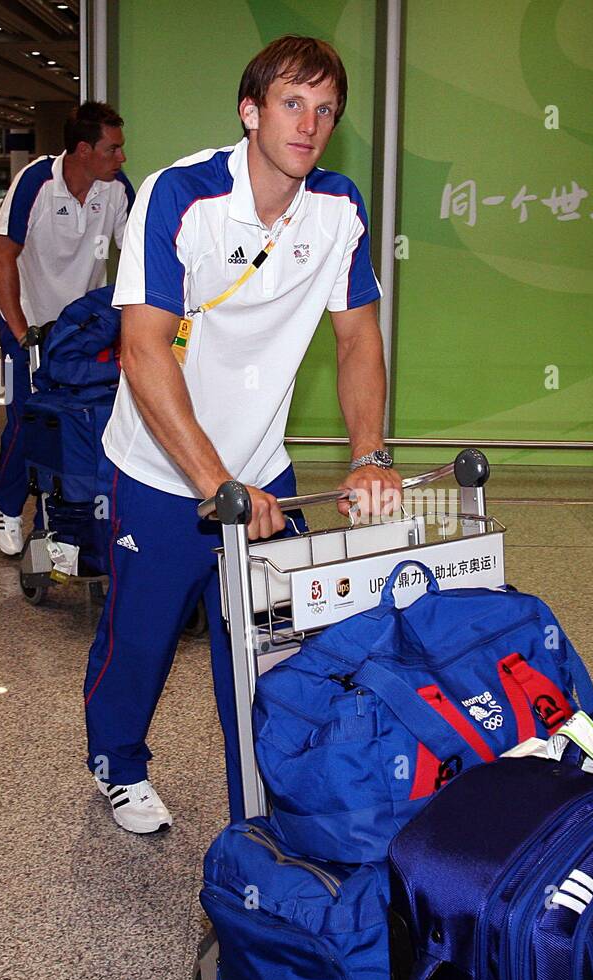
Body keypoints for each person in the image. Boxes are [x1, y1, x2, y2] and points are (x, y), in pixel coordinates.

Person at [85, 34, 403, 833]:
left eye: (326, 110)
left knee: (266, 657)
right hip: (163, 473)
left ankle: (259, 806)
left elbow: (359, 340)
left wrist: (369, 456)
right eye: (293, 103)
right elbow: (142, 346)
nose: (310, 124)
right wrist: (213, 484)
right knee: (142, 640)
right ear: (250, 111)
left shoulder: (338, 210)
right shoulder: (178, 196)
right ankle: (117, 765)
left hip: (265, 474)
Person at [0, 101, 134, 554]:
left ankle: (66, 521)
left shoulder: (115, 189)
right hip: (28, 323)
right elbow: (0, 256)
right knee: (26, 420)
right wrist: (19, 329)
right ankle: (7, 505)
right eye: (113, 150)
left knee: (80, 422)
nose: (122, 158)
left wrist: (130, 334)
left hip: (81, 331)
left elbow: (135, 265)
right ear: (84, 149)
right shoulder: (36, 182)